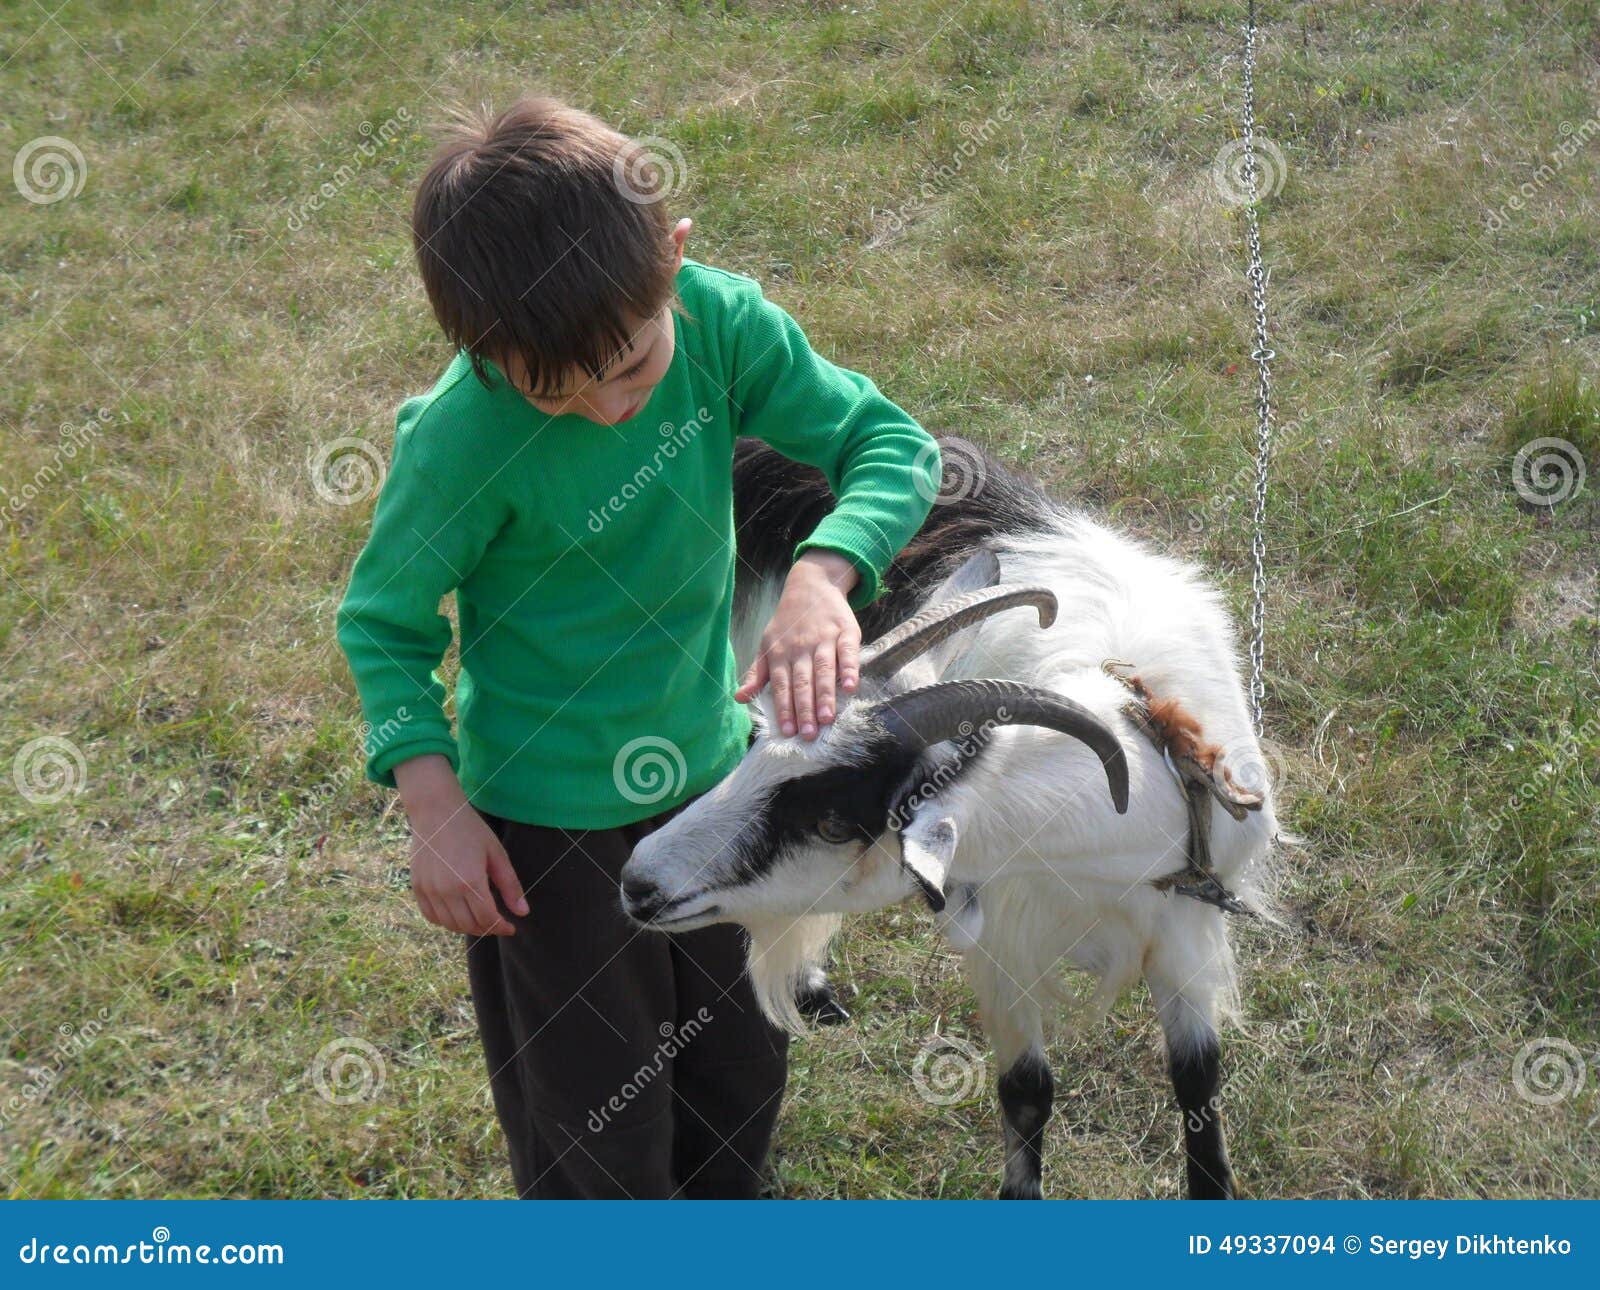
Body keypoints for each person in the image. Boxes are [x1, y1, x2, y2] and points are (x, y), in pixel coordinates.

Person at [336, 96, 939, 1198]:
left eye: (627, 366)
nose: (605, 410)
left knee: (741, 1072)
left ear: (672, 258)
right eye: (549, 391)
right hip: (546, 839)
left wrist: (822, 572)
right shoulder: (461, 439)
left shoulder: (717, 326)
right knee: (594, 1126)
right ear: (479, 351)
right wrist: (434, 806)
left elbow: (888, 442)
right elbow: (382, 623)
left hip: (713, 785)